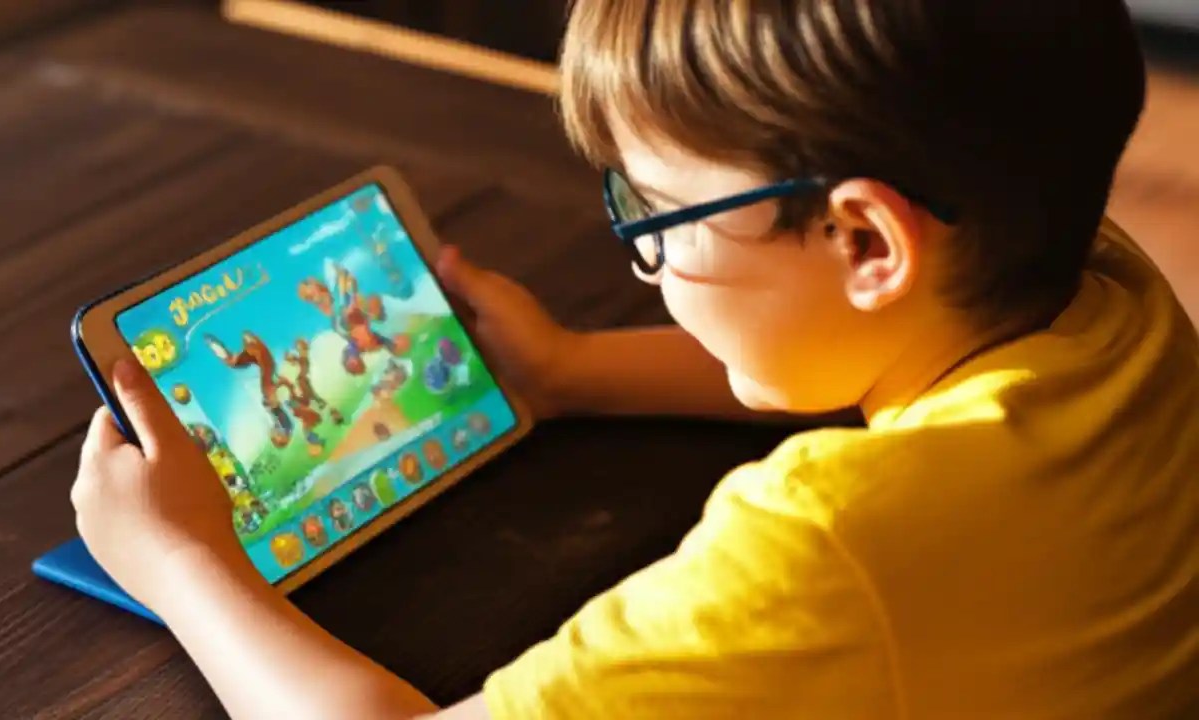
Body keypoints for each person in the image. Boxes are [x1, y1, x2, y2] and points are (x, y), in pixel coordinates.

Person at [70, 0, 1199, 717]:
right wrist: (569, 369)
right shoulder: (1103, 286)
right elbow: (855, 346)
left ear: (863, 240)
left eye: (654, 212)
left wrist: (180, 565)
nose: (638, 255)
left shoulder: (823, 540)